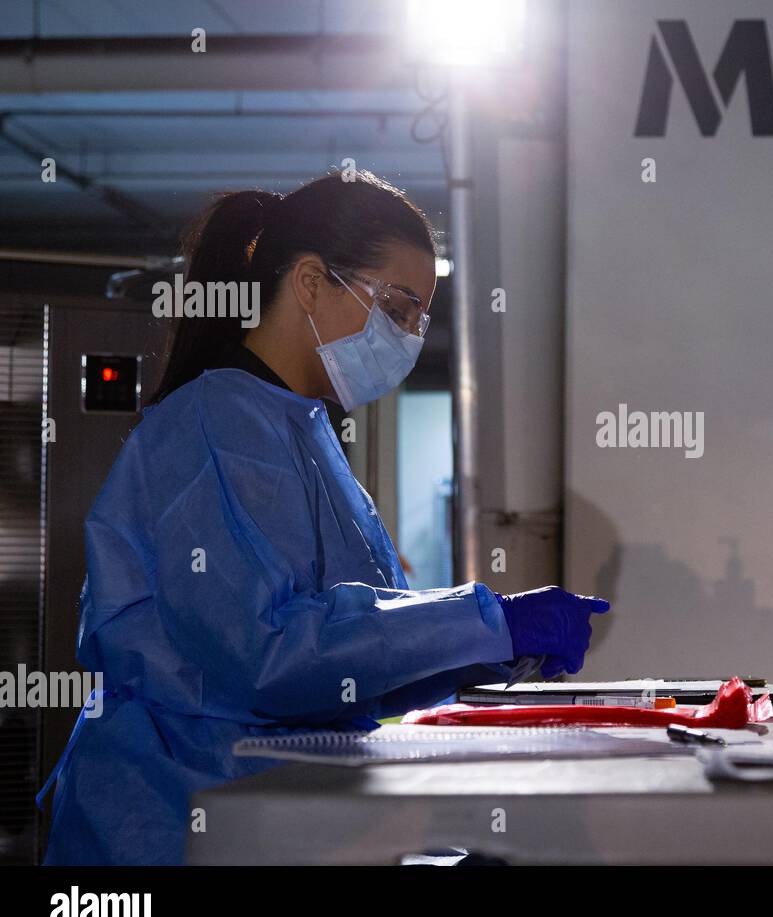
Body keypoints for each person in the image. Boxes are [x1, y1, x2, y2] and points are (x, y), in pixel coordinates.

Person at [40, 171, 608, 865]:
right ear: (309, 281)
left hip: (271, 815)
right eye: (398, 308)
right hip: (177, 818)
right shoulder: (216, 423)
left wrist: (491, 647)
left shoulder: (304, 432)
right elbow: (269, 656)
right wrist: (482, 620)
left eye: (419, 318)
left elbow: (350, 656)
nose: (408, 335)